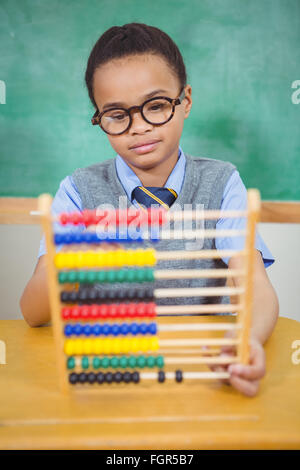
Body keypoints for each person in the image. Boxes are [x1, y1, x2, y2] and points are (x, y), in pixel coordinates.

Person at [20, 23, 279, 396]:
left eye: (155, 106)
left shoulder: (221, 184)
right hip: (111, 376)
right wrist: (71, 262)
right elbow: (32, 313)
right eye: (116, 114)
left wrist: (248, 340)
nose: (138, 127)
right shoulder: (78, 191)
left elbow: (255, 285)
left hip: (200, 371)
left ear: (185, 101)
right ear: (99, 117)